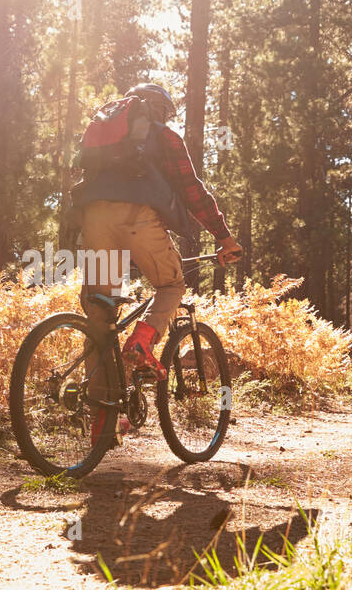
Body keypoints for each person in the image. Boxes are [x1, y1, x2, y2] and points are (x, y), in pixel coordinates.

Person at [72, 83, 243, 442]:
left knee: (100, 319)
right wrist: (223, 236)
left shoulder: (107, 134)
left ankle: (103, 421)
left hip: (92, 218)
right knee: (171, 284)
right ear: (160, 110)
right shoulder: (164, 137)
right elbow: (191, 189)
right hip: (137, 218)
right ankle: (142, 341)